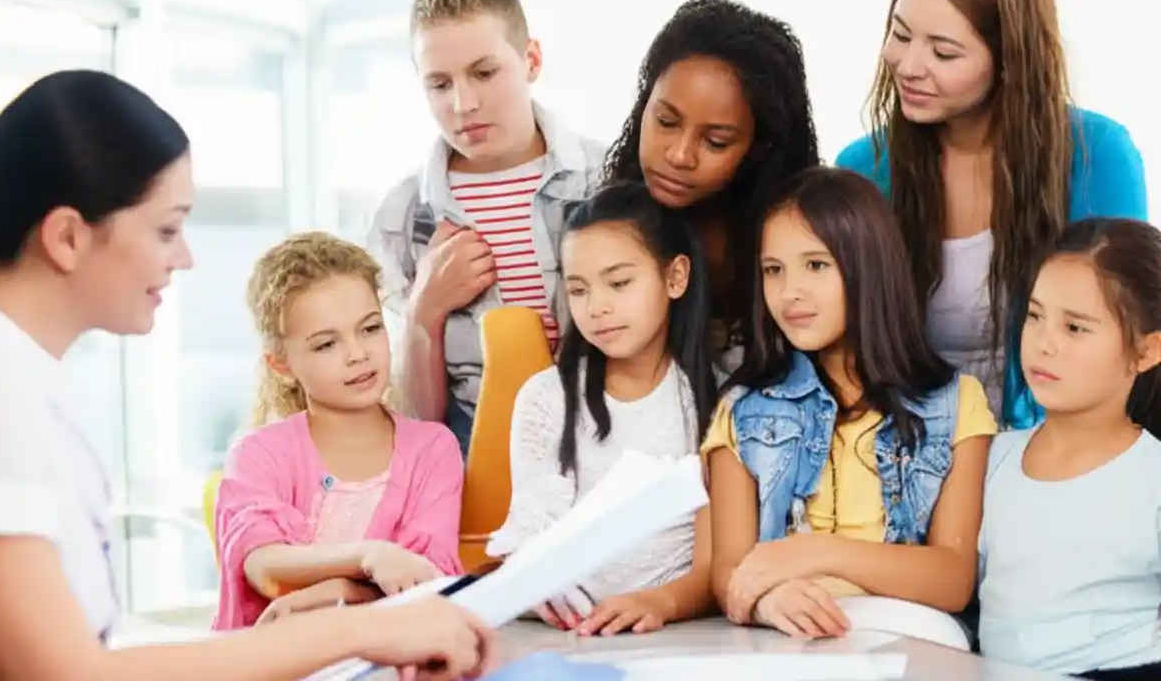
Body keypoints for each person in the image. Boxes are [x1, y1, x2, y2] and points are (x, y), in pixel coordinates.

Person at [0, 70, 492, 680]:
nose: (186, 256)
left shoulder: (9, 380)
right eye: (167, 229)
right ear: (68, 237)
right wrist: (363, 628)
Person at [836, 0, 1149, 427]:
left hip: (1057, 448)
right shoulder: (862, 170)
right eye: (900, 35)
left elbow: (1126, 338)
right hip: (904, 445)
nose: (909, 65)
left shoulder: (1097, 157)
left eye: (943, 53)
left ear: (1009, 61)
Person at [705, 167, 996, 639]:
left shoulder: (955, 403)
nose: (789, 291)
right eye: (773, 270)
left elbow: (952, 580)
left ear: (869, 266)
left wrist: (816, 552)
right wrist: (766, 600)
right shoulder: (743, 409)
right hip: (784, 636)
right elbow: (728, 570)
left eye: (815, 265)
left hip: (909, 634)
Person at [368, 0, 605, 452]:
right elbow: (415, 426)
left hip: (601, 444)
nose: (463, 103)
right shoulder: (403, 217)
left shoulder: (607, 180)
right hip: (472, 463)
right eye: (439, 84)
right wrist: (422, 314)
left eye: (484, 72)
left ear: (531, 60)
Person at [486, 182, 716, 636]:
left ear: (675, 278)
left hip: (678, 634)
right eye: (579, 290)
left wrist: (660, 602)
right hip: (567, 636)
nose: (598, 308)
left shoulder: (712, 402)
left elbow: (714, 566)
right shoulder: (546, 397)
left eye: (619, 283)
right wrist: (533, 584)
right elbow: (528, 536)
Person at [213, 232, 465, 630]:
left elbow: (428, 575)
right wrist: (369, 557)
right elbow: (263, 563)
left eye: (369, 329)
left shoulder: (434, 448)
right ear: (282, 364)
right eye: (327, 344)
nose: (357, 354)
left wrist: (337, 594)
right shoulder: (259, 452)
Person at [978, 218, 1161, 680]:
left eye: (1076, 328)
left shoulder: (1152, 478)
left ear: (1147, 351)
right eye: (1035, 316)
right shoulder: (990, 457)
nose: (1044, 344)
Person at [601, 0, 819, 373]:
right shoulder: (602, 223)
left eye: (716, 142)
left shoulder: (801, 236)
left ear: (759, 147)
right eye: (666, 122)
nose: (680, 155)